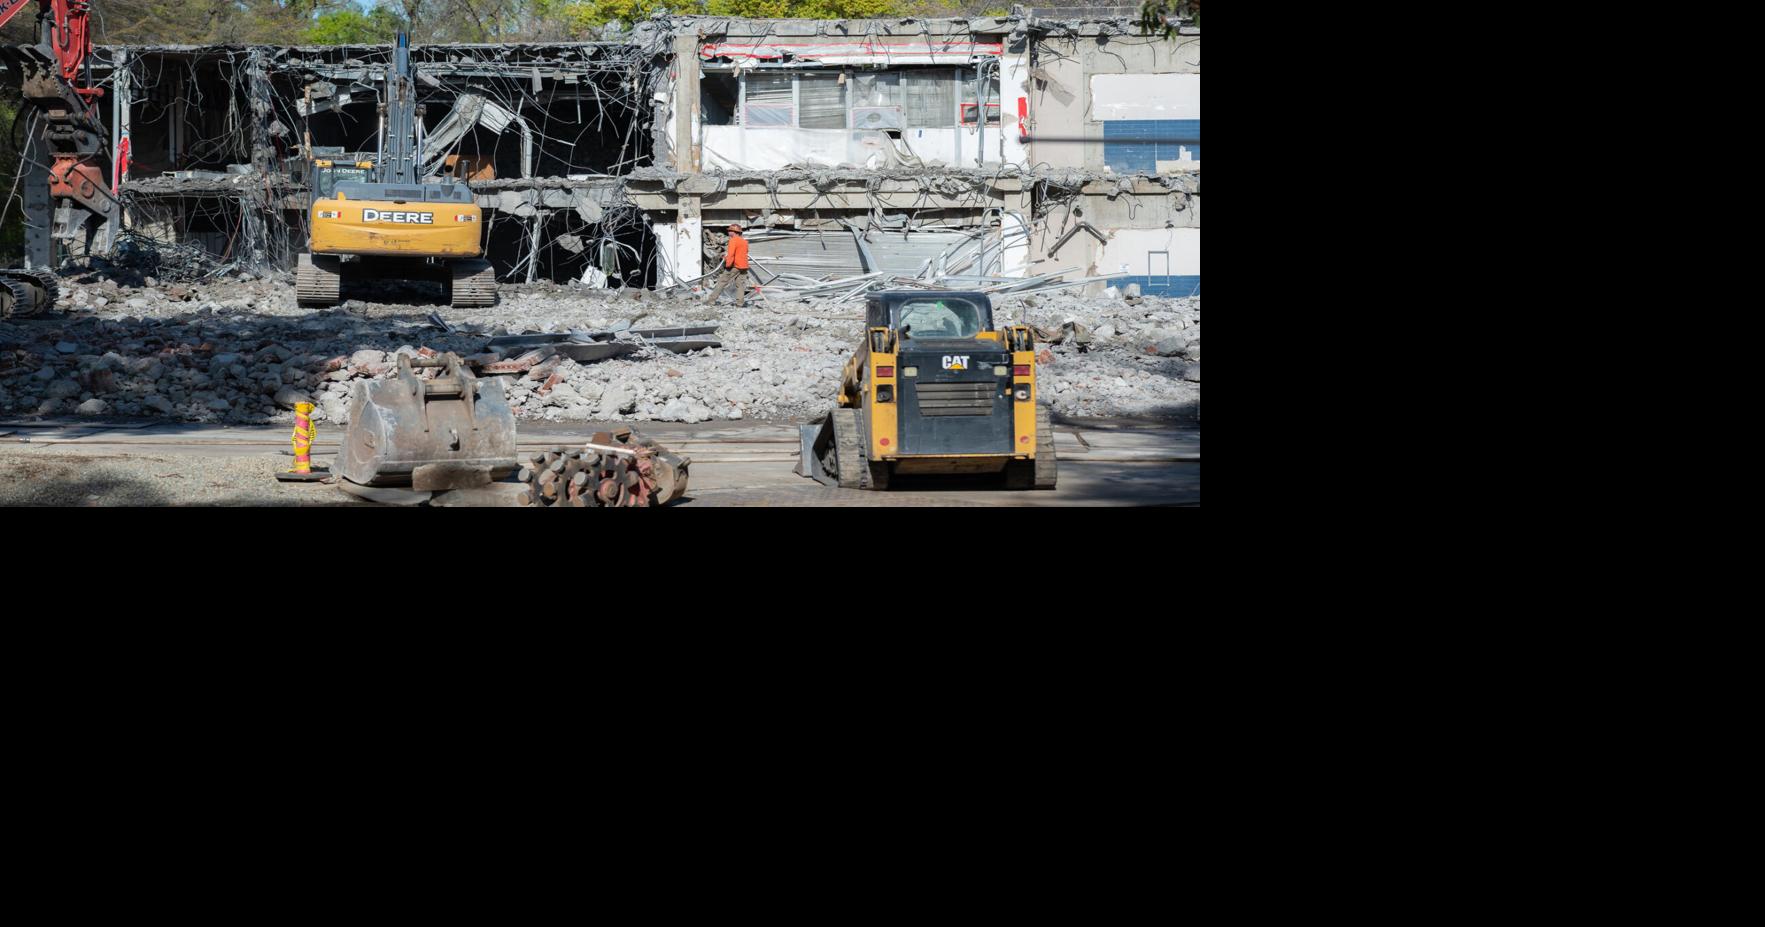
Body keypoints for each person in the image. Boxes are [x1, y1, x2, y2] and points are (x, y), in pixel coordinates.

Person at [704, 224, 752, 306]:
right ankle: (740, 303)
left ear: (734, 232)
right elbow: (744, 253)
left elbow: (731, 255)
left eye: (730, 231)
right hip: (744, 266)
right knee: (740, 285)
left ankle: (711, 301)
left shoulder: (733, 240)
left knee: (722, 282)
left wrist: (728, 265)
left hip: (735, 266)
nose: (728, 232)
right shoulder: (744, 241)